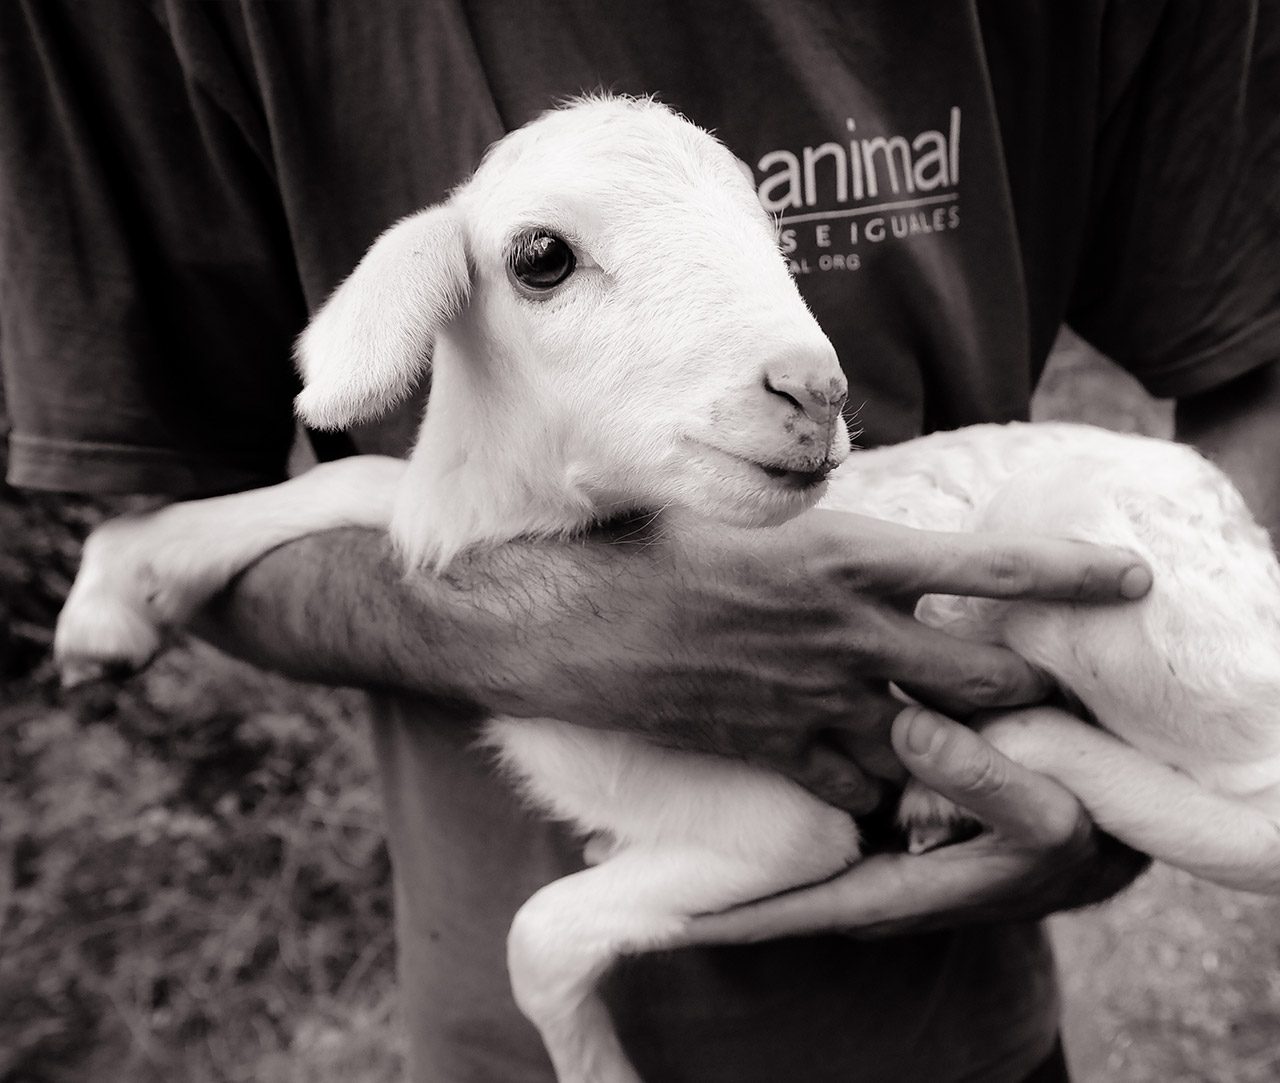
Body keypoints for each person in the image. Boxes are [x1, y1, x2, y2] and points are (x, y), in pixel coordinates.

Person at [3, 2, 1277, 1081]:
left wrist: (1108, 790)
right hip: (479, 1031)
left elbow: (1247, 330)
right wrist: (542, 623)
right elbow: (339, 492)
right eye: (550, 258)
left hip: (971, 1025)